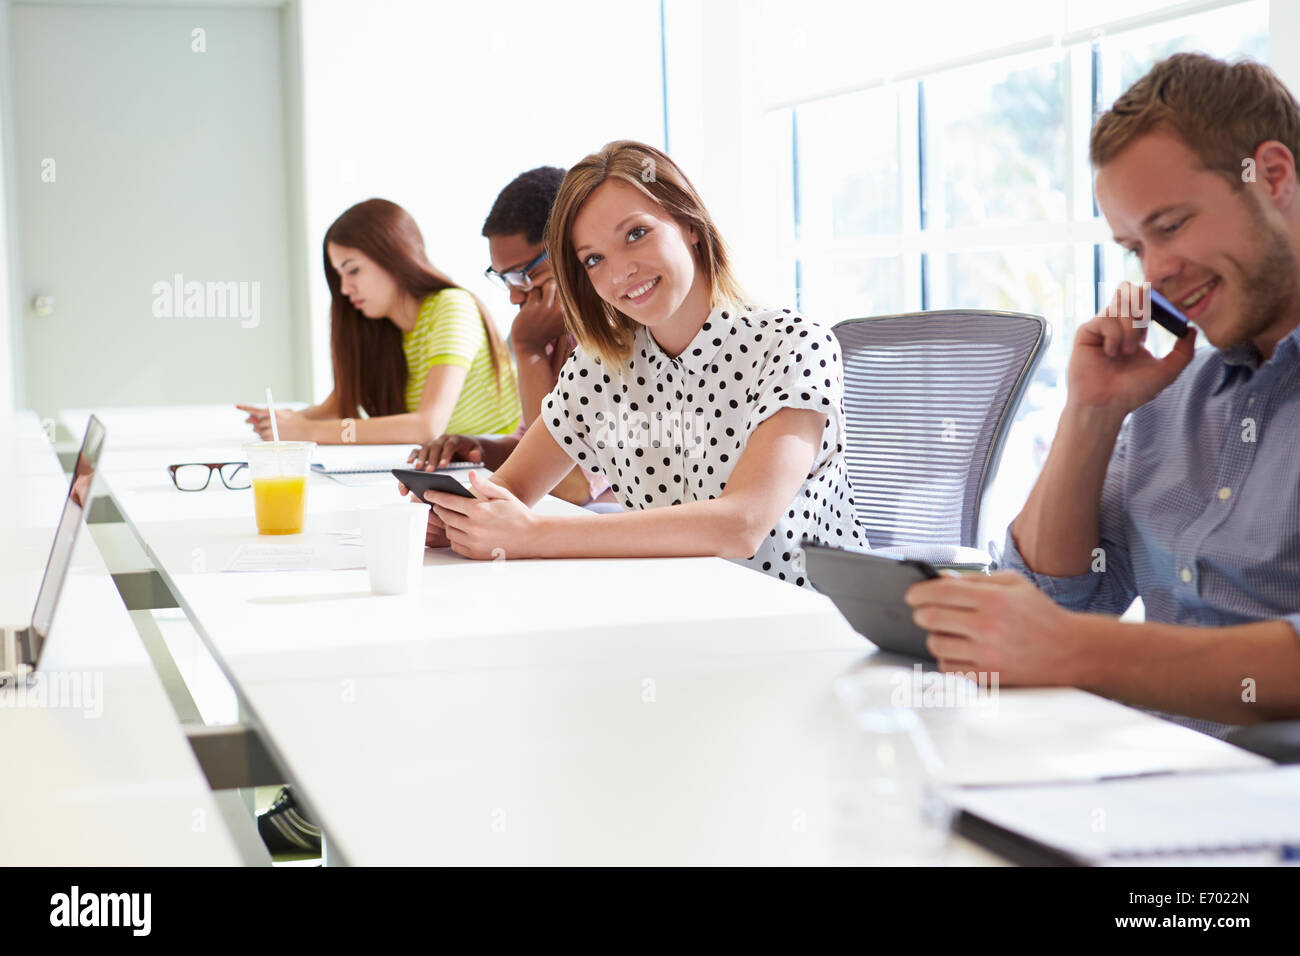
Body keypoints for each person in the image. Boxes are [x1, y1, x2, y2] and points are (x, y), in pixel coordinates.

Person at [906, 53, 1300, 735]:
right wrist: (1091, 413)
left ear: (1272, 175)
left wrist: (1075, 651)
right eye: (1134, 248)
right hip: (1131, 764)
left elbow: (1061, 637)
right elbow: (1052, 601)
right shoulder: (1174, 392)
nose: (1156, 272)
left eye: (1170, 226)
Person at [413, 140, 866, 585]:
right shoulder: (599, 365)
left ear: (689, 222)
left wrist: (533, 535)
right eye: (594, 259)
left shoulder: (794, 345)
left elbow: (742, 525)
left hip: (807, 614)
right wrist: (457, 518)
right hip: (672, 608)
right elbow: (511, 489)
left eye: (636, 234)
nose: (619, 273)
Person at [237, 198, 521, 445]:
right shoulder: (384, 329)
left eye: (353, 271)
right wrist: (282, 420)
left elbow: (427, 427)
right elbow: (337, 406)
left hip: (498, 466)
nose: (345, 288)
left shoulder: (452, 306)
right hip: (454, 466)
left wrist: (307, 431)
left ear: (393, 258)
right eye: (339, 275)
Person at [409, 167, 614, 506]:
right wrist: (477, 447)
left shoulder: (610, 338)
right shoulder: (552, 331)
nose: (514, 296)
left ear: (571, 249)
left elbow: (569, 486)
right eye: (505, 278)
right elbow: (533, 446)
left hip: (608, 517)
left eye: (523, 275)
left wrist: (529, 350)